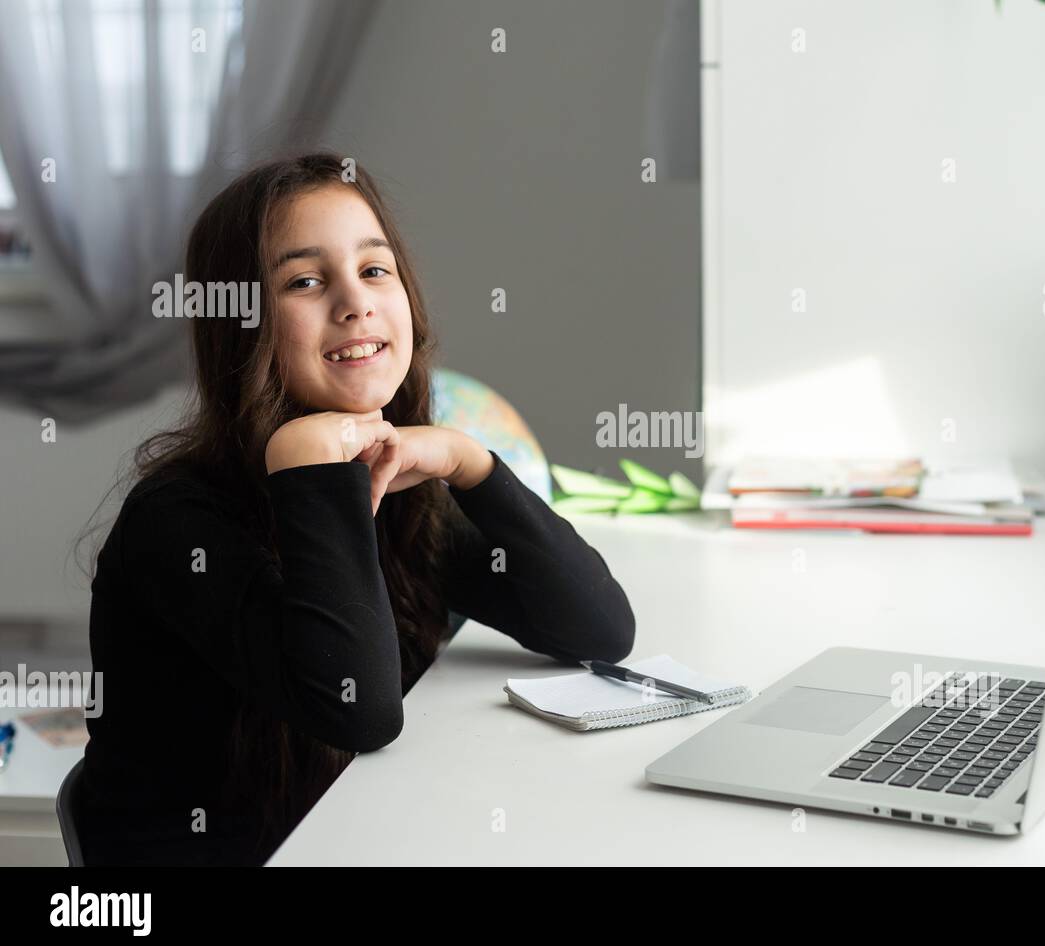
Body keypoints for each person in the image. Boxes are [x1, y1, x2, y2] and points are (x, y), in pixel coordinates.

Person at [78, 153, 636, 865]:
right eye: (305, 281)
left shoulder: (391, 479)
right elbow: (357, 714)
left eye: (375, 270)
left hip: (357, 837)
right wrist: (308, 466)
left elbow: (599, 628)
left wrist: (470, 463)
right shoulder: (176, 522)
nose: (355, 302)